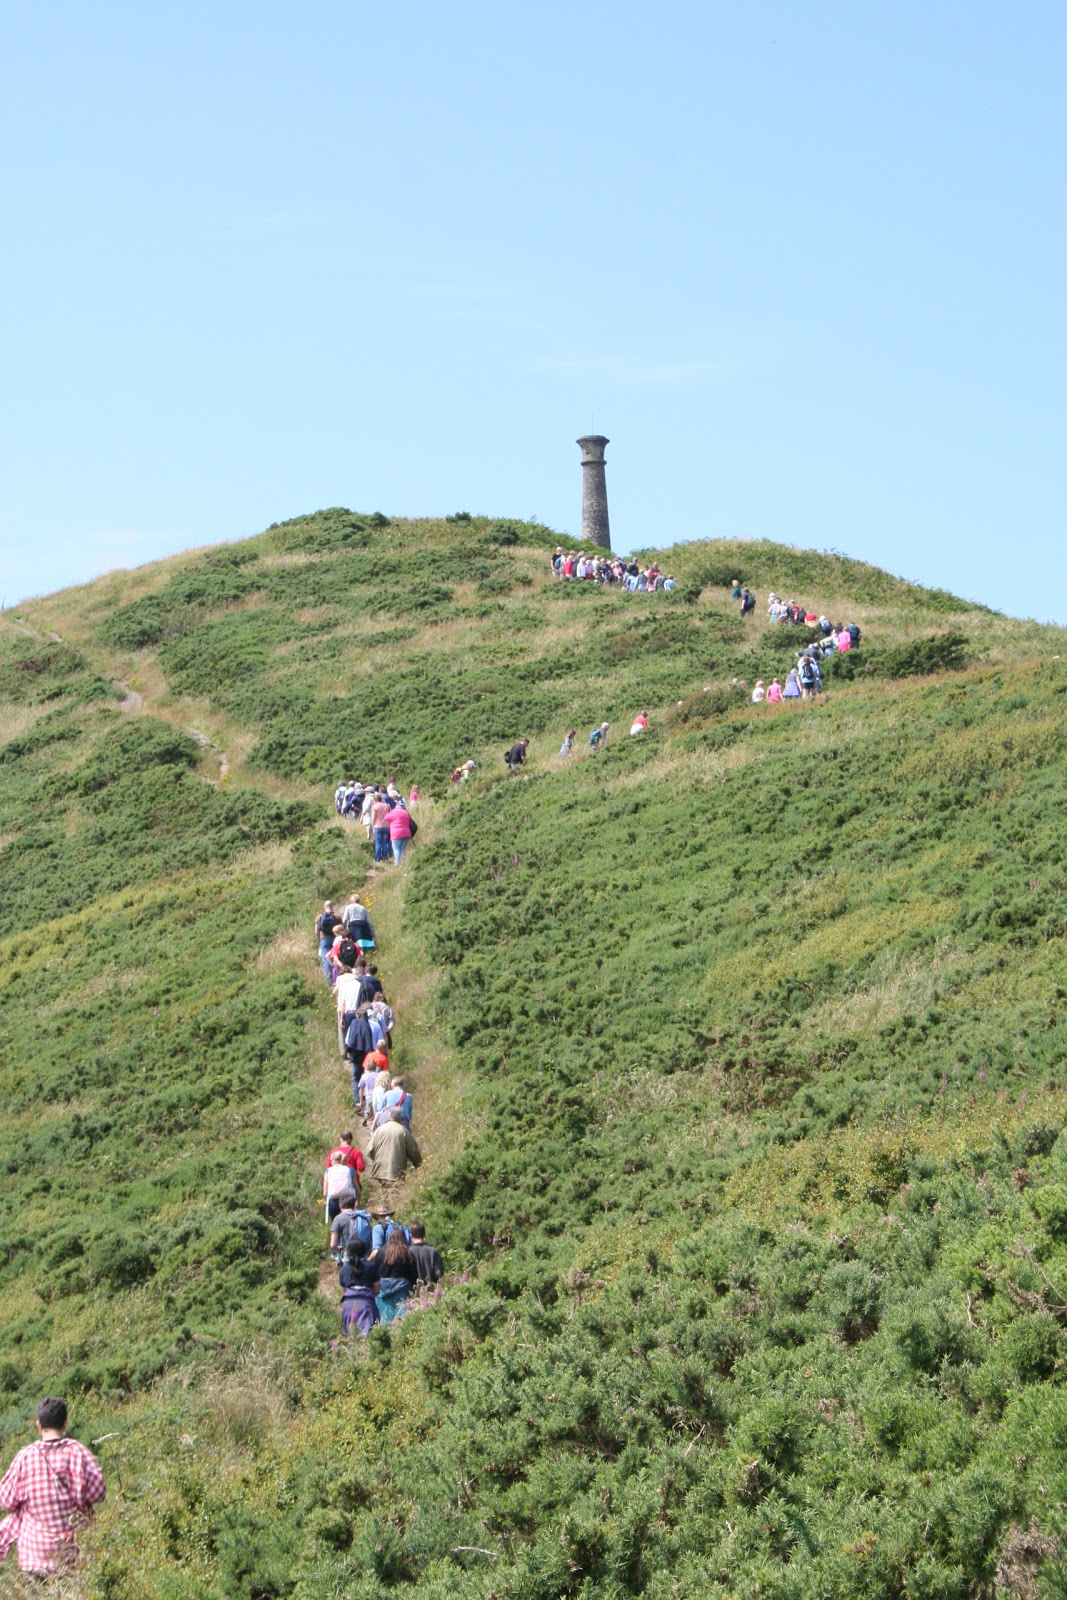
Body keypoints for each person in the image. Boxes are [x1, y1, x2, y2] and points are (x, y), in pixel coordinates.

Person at [0, 1398, 105, 1576]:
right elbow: (99, 1493)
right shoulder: (78, 1452)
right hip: (74, 1555)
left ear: (39, 1425)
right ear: (65, 1423)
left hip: (34, 1558)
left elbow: (5, 1501)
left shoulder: (25, 1457)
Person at [368, 1109, 422, 1185]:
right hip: (397, 1171)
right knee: (396, 1192)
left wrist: (377, 1160)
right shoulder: (403, 1130)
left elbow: (370, 1150)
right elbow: (413, 1150)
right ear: (399, 1118)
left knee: (385, 1191)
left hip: (380, 1170)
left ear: (388, 1116)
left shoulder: (379, 1130)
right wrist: (417, 1163)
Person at [339, 1237, 380, 1336]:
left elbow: (344, 1291)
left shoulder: (343, 1269)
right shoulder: (371, 1267)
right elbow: (377, 1288)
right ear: (364, 1251)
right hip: (366, 1304)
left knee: (350, 1337)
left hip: (348, 1305)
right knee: (367, 1337)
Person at [375, 1233, 419, 1324]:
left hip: (383, 1290)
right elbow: (414, 1274)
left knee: (384, 1319)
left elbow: (376, 1271)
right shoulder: (407, 1252)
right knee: (402, 1321)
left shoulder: (381, 1252)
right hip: (403, 1290)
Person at [329, 1193, 373, 1258]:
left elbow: (333, 1244)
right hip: (364, 1254)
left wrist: (339, 1250)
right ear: (354, 1205)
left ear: (340, 1206)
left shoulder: (338, 1218)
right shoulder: (363, 1216)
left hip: (348, 1255)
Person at [322, 1150, 356, 1225]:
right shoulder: (350, 1170)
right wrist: (357, 1202)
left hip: (333, 1201)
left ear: (334, 1160)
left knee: (335, 1224)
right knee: (350, 1224)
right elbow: (357, 1189)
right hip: (348, 1200)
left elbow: (325, 1193)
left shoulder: (328, 1171)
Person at [327, 1134, 365, 1201]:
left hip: (335, 1184)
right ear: (351, 1140)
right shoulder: (356, 1151)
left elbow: (328, 1168)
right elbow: (361, 1168)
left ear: (341, 1139)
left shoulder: (333, 1152)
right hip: (352, 1183)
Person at [314, 902, 339, 985]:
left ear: (324, 907)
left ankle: (329, 980)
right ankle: (338, 978)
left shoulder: (319, 917)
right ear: (332, 906)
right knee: (336, 957)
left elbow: (316, 932)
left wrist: (319, 941)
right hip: (335, 938)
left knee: (325, 959)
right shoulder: (337, 916)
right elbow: (342, 928)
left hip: (324, 939)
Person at [384, 800, 413, 865]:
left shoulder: (394, 812)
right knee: (403, 849)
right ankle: (403, 863)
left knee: (396, 849)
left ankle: (397, 864)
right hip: (406, 833)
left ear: (396, 807)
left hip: (396, 833)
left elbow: (386, 817)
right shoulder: (406, 813)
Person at [370, 791, 392, 863]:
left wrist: (372, 825)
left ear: (375, 800)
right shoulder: (387, 805)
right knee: (384, 843)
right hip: (386, 826)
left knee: (378, 843)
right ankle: (385, 857)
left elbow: (373, 817)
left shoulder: (374, 807)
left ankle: (377, 858)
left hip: (378, 826)